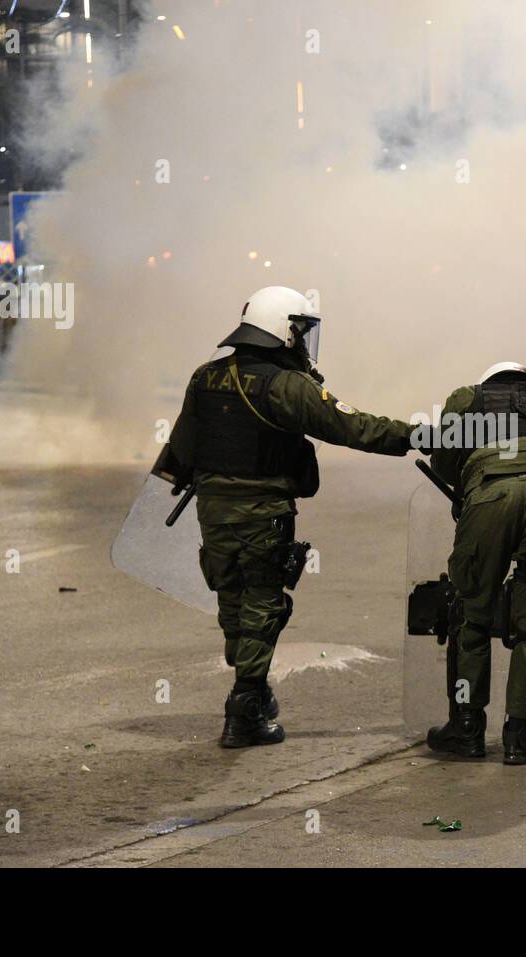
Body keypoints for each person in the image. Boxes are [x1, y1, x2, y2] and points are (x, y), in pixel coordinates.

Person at [167, 286, 414, 748]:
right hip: (264, 510)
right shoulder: (288, 386)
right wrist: (416, 435)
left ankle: (254, 690)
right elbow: (354, 426)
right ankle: (243, 710)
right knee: (264, 601)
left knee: (233, 597)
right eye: (299, 330)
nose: (302, 341)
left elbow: (181, 449)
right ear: (282, 328)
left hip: (213, 509)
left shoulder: (205, 377)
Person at [424, 361, 526, 765]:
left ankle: (466, 730)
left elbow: (445, 464)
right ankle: (523, 737)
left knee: (470, 615)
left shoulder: (469, 399)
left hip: (490, 496)